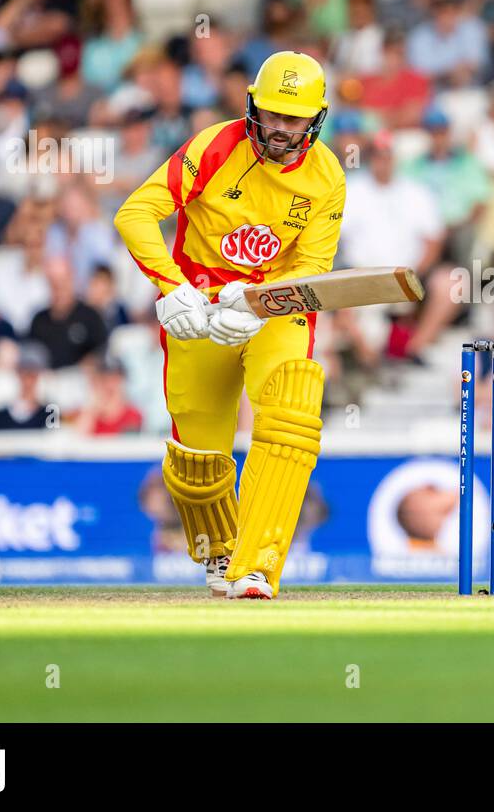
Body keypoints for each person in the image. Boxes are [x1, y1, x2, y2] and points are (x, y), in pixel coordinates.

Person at [114, 50, 345, 600]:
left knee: (291, 412)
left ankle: (258, 565)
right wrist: (173, 288)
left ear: (316, 117)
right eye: (270, 114)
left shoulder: (328, 176)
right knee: (198, 455)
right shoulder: (215, 146)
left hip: (273, 307)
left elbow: (313, 268)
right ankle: (220, 558)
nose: (279, 129)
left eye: (293, 118)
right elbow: (136, 213)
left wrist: (259, 300)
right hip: (200, 309)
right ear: (251, 106)